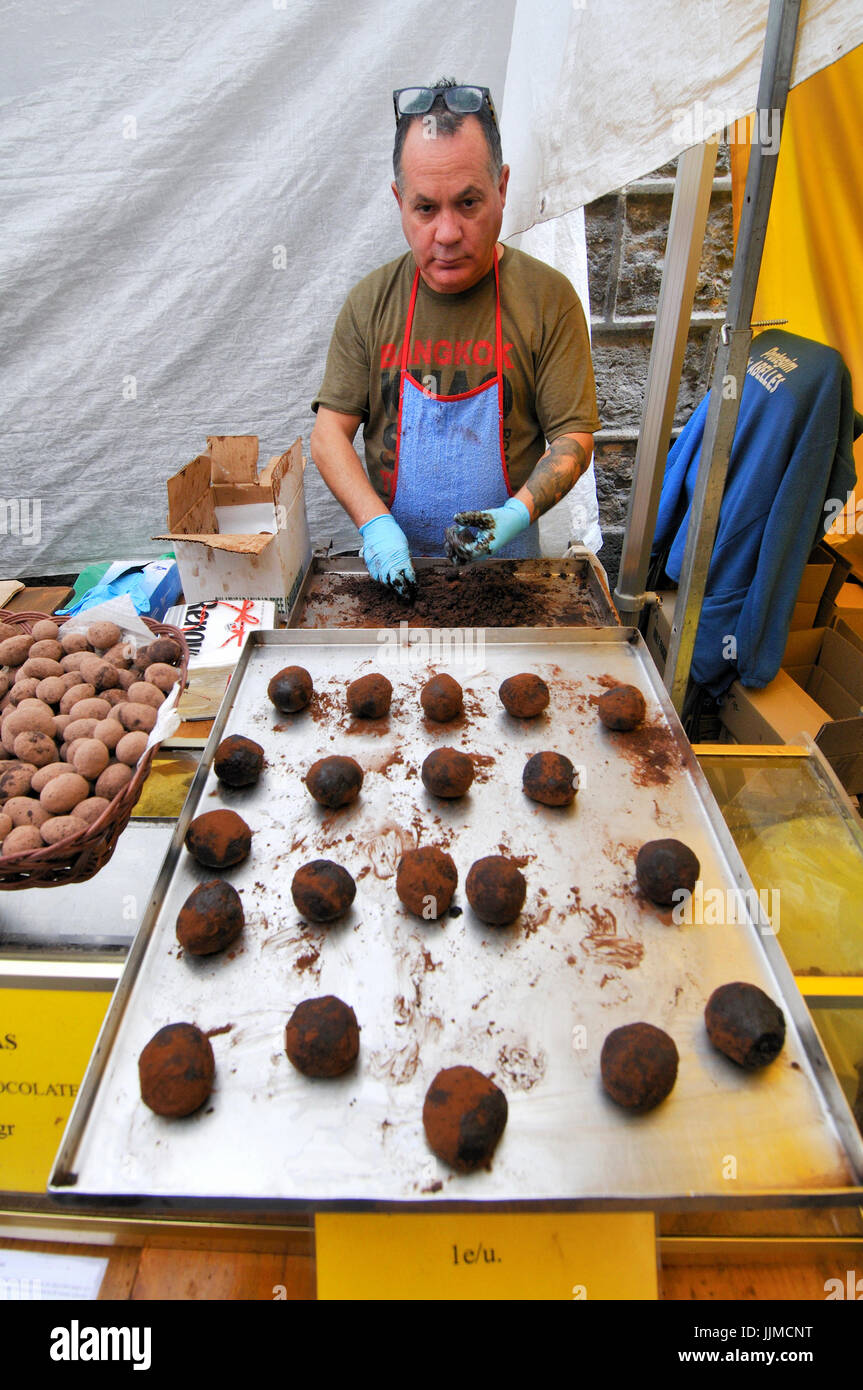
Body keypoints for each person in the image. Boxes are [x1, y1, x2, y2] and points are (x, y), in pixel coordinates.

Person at [310, 80, 601, 597]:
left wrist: (515, 515)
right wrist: (374, 525)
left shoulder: (547, 300)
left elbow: (573, 439)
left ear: (503, 188)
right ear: (400, 201)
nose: (446, 233)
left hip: (509, 580)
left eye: (468, 203)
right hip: (396, 582)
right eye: (425, 208)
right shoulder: (370, 303)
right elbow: (329, 435)